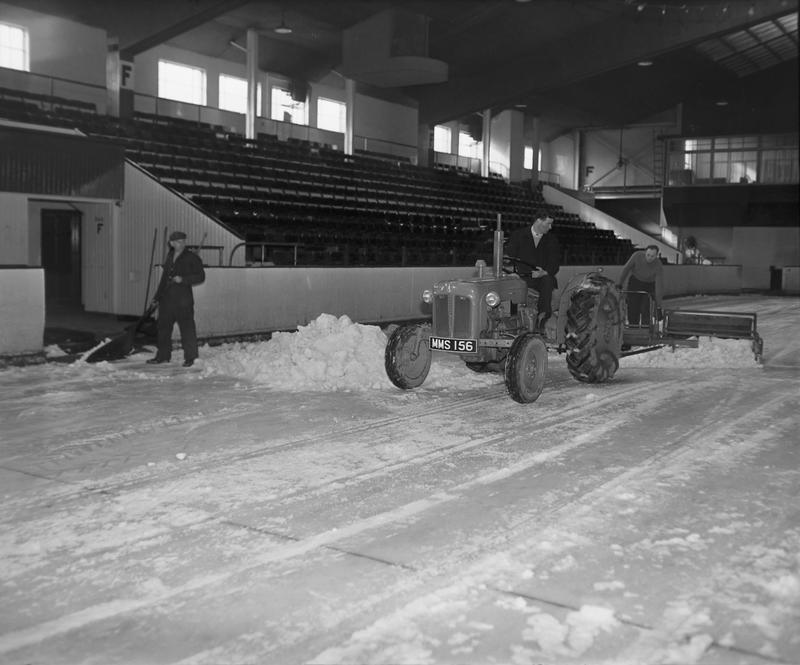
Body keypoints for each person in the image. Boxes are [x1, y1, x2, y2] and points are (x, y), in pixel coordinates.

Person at [147, 231, 206, 367]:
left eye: (183, 241)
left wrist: (183, 279)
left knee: (187, 329)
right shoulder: (169, 256)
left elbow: (201, 276)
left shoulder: (192, 257)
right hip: (167, 300)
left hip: (183, 301)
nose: (182, 244)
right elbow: (164, 279)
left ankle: (191, 358)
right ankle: (163, 356)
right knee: (163, 328)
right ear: (171, 243)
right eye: (179, 242)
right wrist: (156, 298)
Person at [505, 208, 560, 330]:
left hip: (541, 279)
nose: (550, 227)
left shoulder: (552, 240)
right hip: (522, 277)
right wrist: (512, 272)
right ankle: (514, 318)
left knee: (547, 280)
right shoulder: (518, 235)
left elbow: (555, 263)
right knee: (513, 282)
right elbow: (509, 257)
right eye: (548, 224)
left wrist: (543, 272)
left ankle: (543, 316)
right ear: (539, 221)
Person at [618, 245, 664, 326]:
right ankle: (633, 327)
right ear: (645, 252)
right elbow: (626, 268)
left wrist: (658, 306)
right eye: (648, 255)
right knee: (633, 308)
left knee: (646, 308)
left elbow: (659, 285)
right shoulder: (637, 255)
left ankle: (645, 328)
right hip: (635, 282)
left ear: (656, 256)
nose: (649, 258)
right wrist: (619, 283)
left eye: (652, 256)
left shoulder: (658, 265)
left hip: (649, 285)